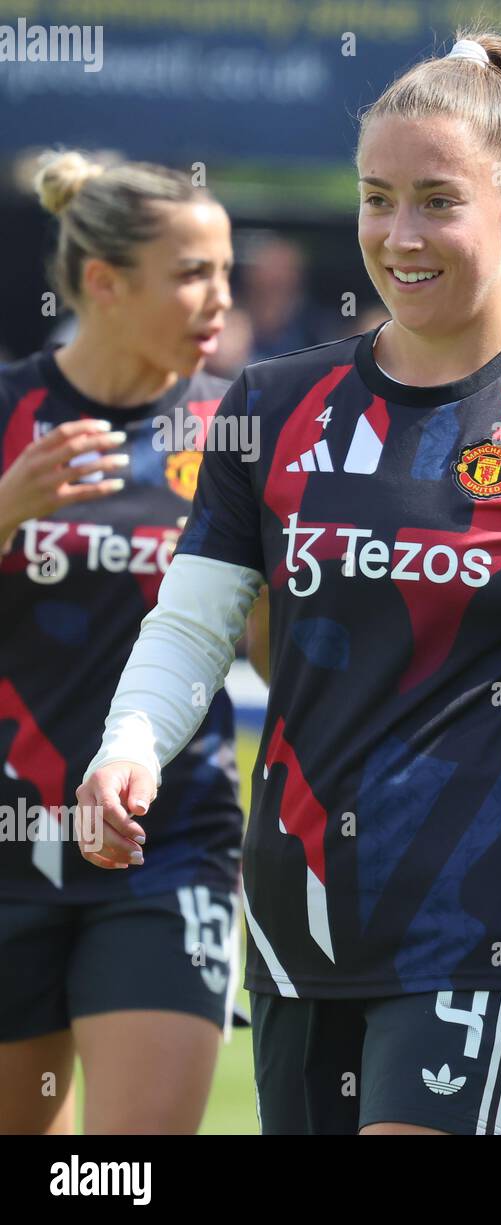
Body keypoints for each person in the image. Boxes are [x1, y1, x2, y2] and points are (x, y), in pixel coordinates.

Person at [76, 30, 501, 1136]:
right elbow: (191, 626)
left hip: (491, 928)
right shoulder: (269, 408)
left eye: (436, 200)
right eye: (379, 199)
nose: (400, 234)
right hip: (295, 923)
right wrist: (127, 745)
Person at [0, 150, 253, 1134]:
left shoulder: (236, 427)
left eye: (226, 272)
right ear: (103, 283)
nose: (218, 301)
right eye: (192, 273)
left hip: (167, 844)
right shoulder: (11, 412)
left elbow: (274, 647)